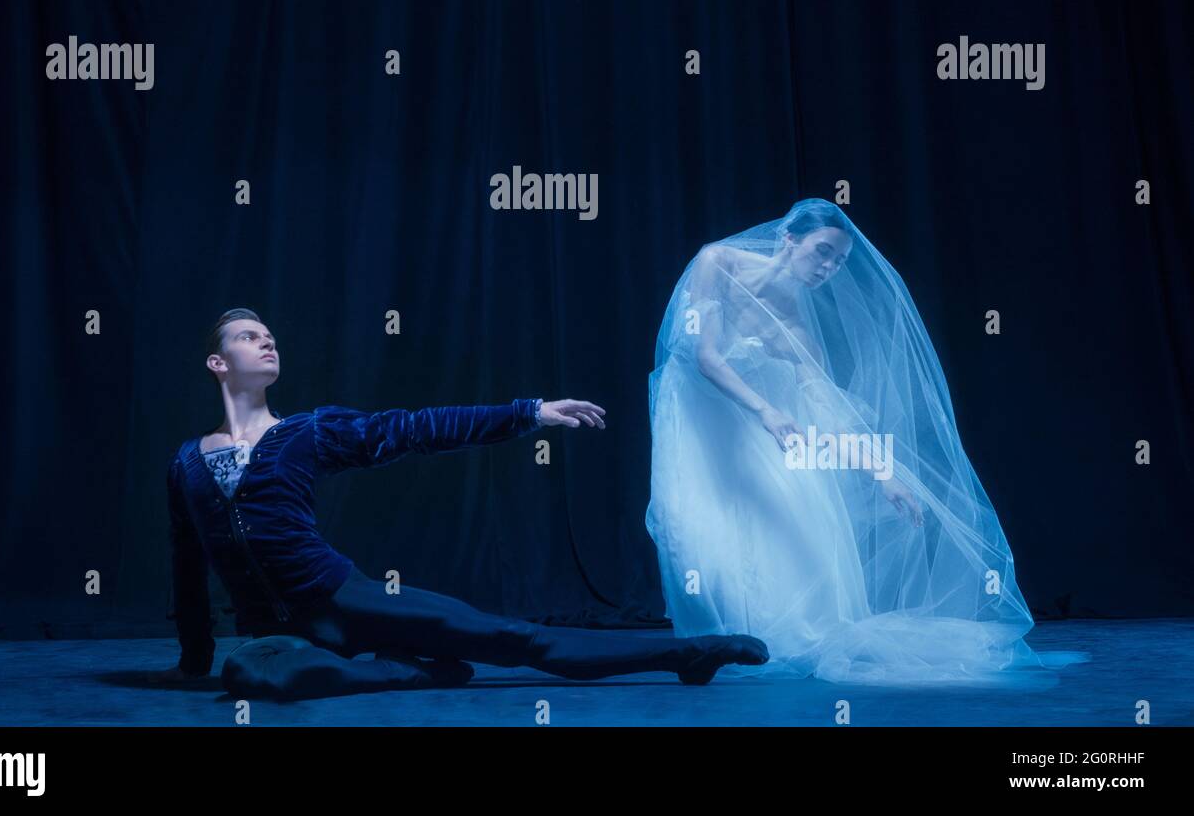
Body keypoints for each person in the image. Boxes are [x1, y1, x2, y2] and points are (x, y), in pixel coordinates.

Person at [160, 308, 768, 700]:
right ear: (219, 363)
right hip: (279, 633)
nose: (266, 340)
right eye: (248, 336)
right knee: (249, 676)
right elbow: (187, 565)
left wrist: (528, 413)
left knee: (515, 640)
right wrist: (195, 658)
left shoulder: (306, 432)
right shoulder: (186, 464)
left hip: (345, 597)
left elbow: (416, 427)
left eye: (269, 334)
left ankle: (688, 654)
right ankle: (411, 671)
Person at [645, 198, 1089, 684]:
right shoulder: (719, 263)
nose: (829, 268)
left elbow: (826, 414)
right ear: (789, 239)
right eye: (822, 252)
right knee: (700, 539)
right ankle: (714, 643)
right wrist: (767, 410)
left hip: (755, 432)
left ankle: (758, 647)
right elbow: (705, 357)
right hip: (700, 420)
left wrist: (884, 474)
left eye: (838, 261)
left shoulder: (794, 320)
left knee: (782, 540)